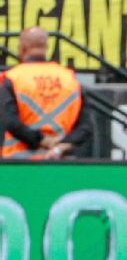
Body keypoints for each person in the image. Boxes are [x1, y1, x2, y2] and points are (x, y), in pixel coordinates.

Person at [0, 27, 89, 160]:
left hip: (20, 161)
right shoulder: (70, 78)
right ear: (47, 46)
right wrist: (59, 147)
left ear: (22, 48)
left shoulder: (13, 78)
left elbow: (11, 121)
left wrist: (41, 140)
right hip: (60, 160)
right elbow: (86, 126)